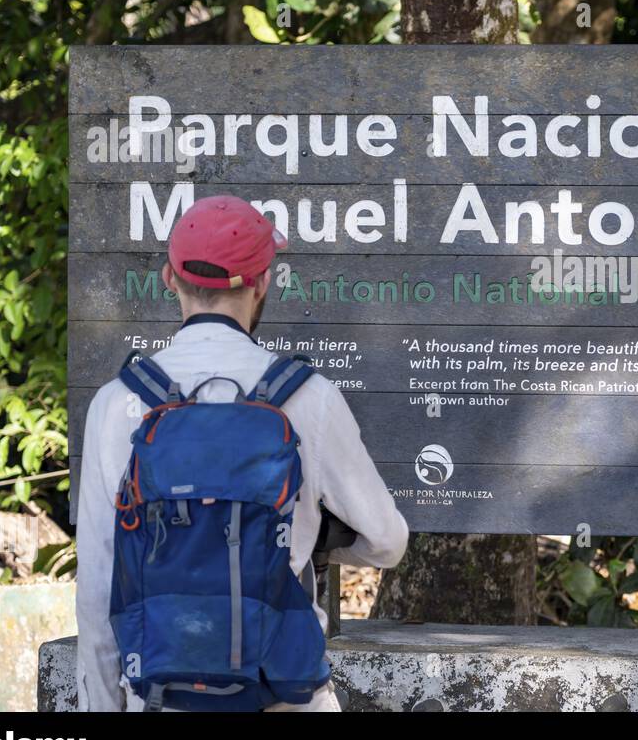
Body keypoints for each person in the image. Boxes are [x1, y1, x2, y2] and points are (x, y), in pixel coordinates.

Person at [75, 195, 408, 711]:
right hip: (284, 694)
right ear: (262, 282)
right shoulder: (307, 396)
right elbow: (387, 541)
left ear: (169, 277)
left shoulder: (117, 401)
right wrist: (305, 544)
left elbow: (98, 588)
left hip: (161, 697)